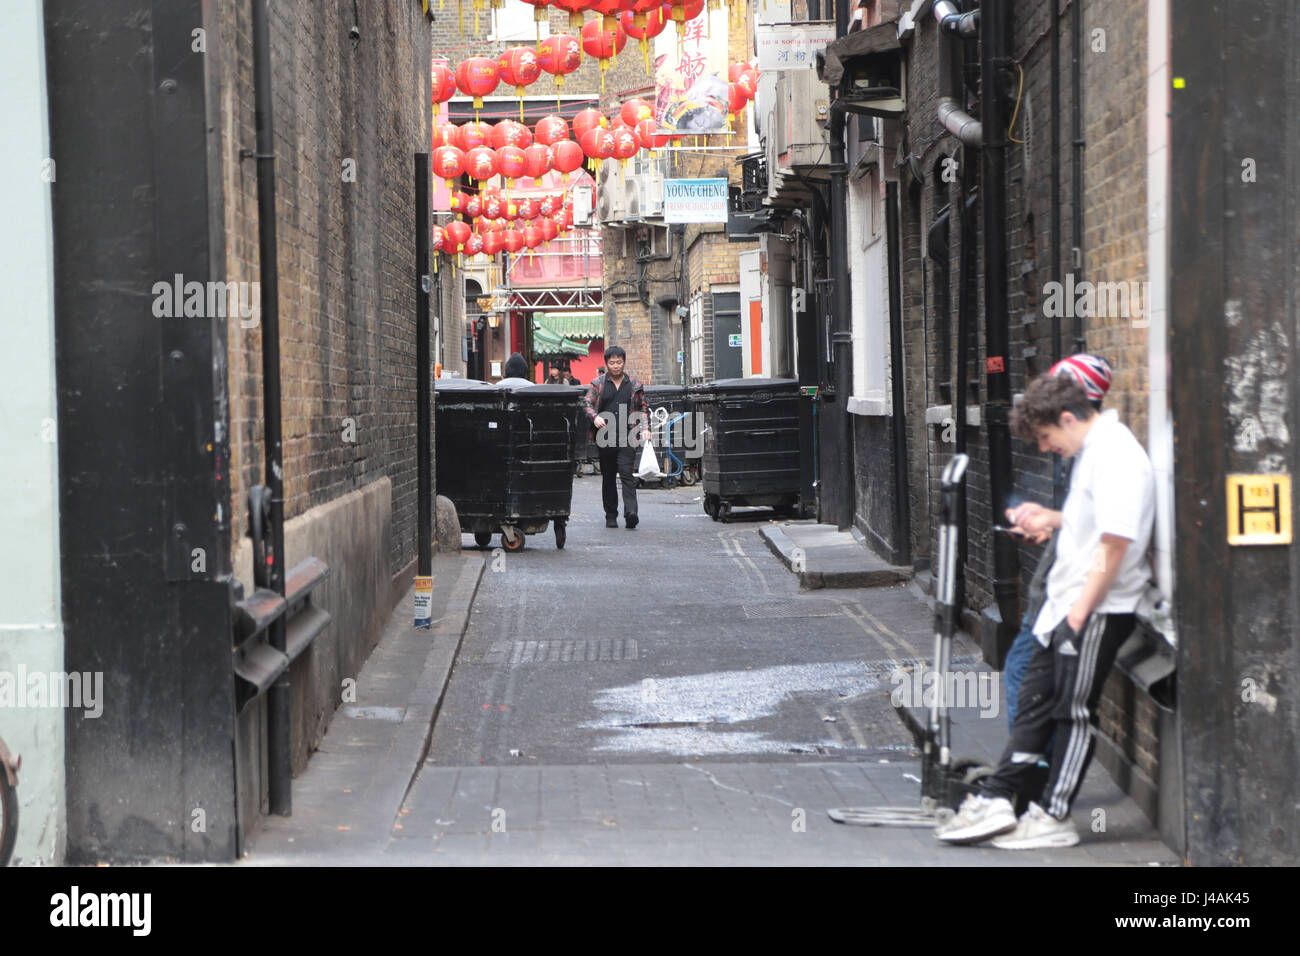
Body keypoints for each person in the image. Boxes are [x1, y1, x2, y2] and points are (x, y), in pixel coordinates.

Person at [935, 368, 1154, 850]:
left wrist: (1079, 616)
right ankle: (999, 797)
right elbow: (1093, 525)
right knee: (1034, 702)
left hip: (1094, 610)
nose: (1046, 447)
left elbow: (1116, 544)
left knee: (1071, 713)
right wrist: (1052, 520)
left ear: (1070, 417)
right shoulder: (1093, 452)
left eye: (1047, 436)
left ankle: (1053, 816)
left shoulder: (1116, 456)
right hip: (1064, 607)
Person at [581, 346, 651, 529]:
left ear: (624, 362)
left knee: (627, 474)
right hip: (605, 437)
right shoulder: (598, 384)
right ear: (606, 364)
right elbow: (586, 403)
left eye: (619, 362)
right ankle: (611, 515)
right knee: (609, 476)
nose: (616, 366)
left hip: (628, 435)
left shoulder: (634, 384)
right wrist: (595, 417)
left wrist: (645, 428)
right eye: (612, 363)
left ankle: (631, 513)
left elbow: (643, 408)